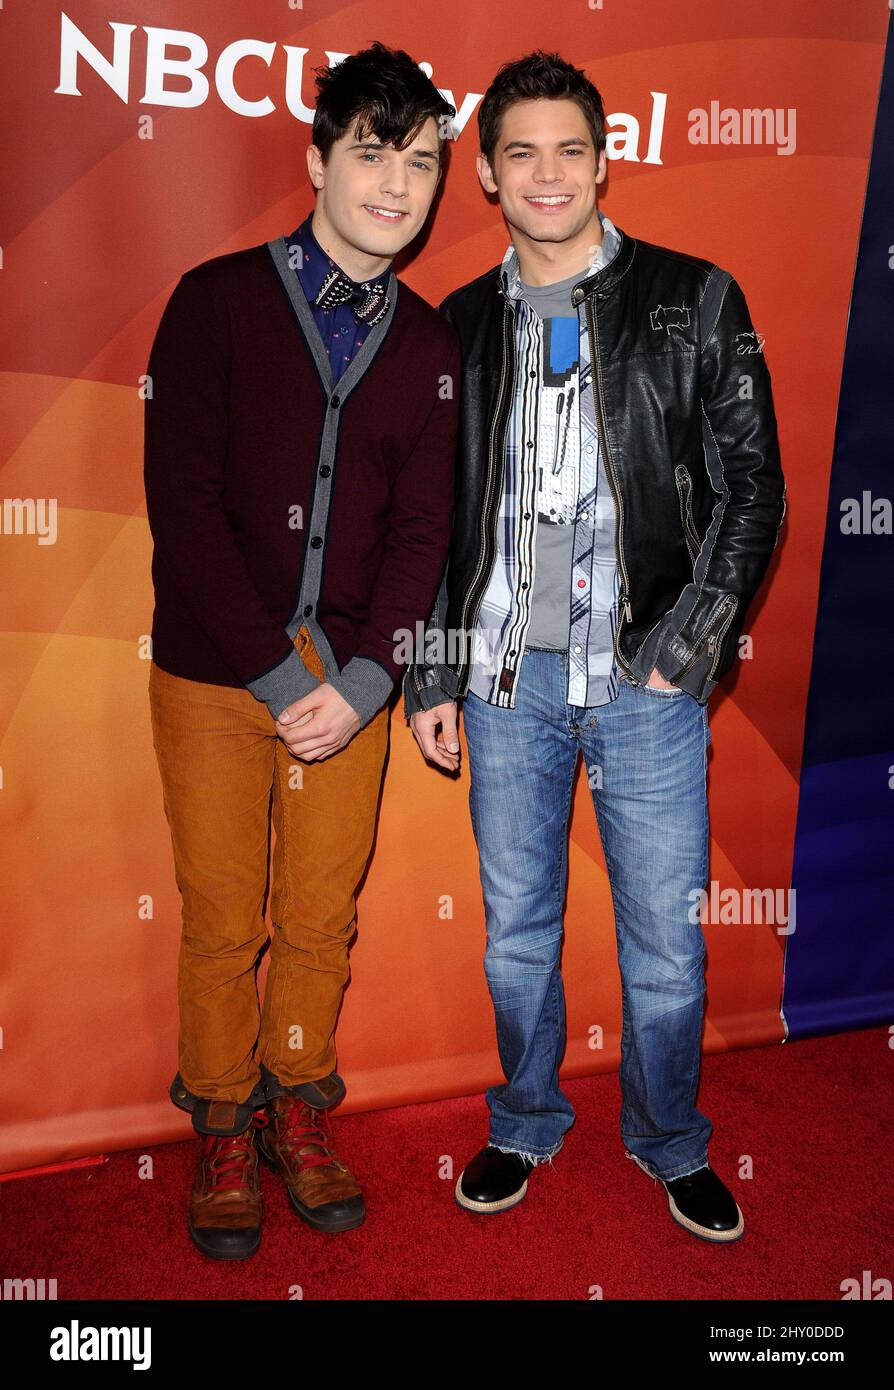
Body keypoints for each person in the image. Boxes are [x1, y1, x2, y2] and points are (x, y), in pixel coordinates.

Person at [406, 49, 785, 1243]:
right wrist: (431, 671)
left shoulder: (696, 296)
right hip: (507, 683)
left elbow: (754, 488)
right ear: (486, 176)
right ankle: (522, 1120)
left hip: (644, 684)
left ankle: (670, 1140)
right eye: (522, 152)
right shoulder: (455, 326)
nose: (549, 172)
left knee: (667, 943)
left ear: (606, 161)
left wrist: (693, 641)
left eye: (572, 148)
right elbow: (431, 515)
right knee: (517, 935)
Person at [145, 42, 459, 1259]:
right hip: (214, 676)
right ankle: (221, 1121)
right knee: (226, 915)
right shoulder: (213, 300)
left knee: (322, 917)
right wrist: (284, 684)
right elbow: (185, 504)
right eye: (373, 152)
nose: (396, 183)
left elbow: (424, 532)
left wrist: (366, 682)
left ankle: (296, 1104)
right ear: (319, 157)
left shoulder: (432, 349)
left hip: (357, 690)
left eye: (421, 162)